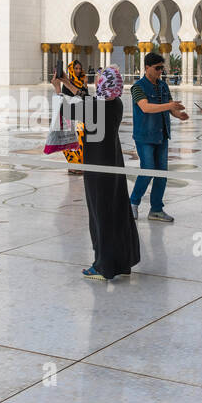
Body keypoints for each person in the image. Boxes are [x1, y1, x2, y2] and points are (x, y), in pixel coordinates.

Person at [62, 65, 140, 280]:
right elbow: (85, 98)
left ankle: (103, 265)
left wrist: (57, 89)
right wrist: (67, 84)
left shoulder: (95, 108)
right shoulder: (115, 103)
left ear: (102, 84)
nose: (96, 83)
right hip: (113, 164)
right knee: (115, 213)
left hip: (97, 168)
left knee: (100, 216)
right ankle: (121, 262)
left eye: (98, 80)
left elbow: (66, 110)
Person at [129, 51, 188, 222]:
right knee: (147, 171)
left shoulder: (163, 86)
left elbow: (170, 109)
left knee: (161, 173)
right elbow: (146, 108)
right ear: (147, 67)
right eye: (157, 68)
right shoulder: (138, 87)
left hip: (161, 135)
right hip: (145, 136)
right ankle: (133, 203)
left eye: (162, 68)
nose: (160, 71)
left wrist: (178, 114)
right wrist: (169, 105)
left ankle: (156, 209)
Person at [53, 60, 89, 174]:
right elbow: (64, 100)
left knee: (81, 142)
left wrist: (85, 85)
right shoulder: (67, 84)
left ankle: (79, 165)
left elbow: (86, 98)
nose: (78, 71)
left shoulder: (82, 81)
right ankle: (73, 165)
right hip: (71, 115)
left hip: (82, 115)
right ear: (71, 70)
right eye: (76, 69)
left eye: (79, 68)